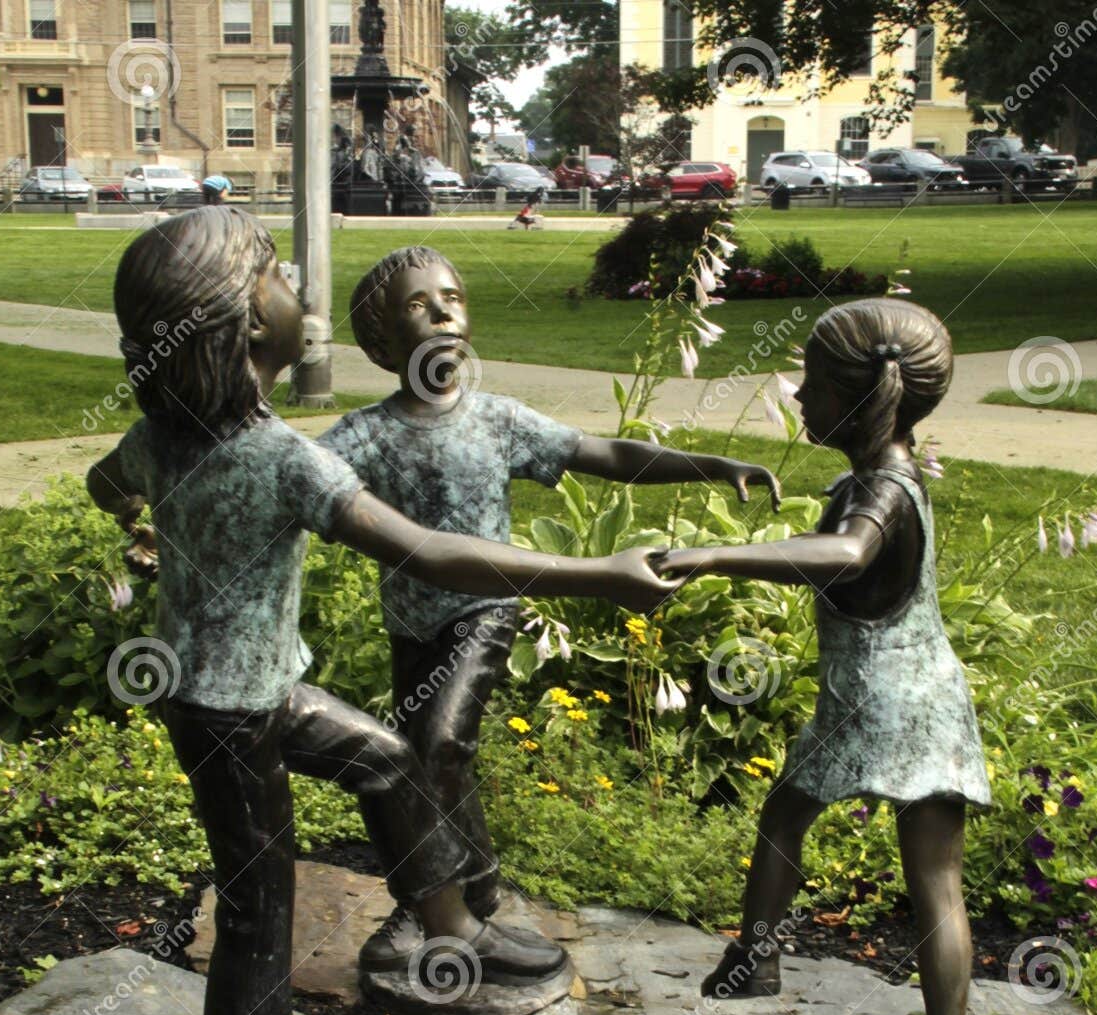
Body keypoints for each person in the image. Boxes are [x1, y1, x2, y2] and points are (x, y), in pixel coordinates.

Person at [85, 208, 669, 1015]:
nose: (297, 290)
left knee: (390, 760)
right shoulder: (284, 460)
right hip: (230, 716)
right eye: (278, 276)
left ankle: (451, 924)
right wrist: (598, 574)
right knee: (258, 897)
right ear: (243, 323)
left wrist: (136, 517)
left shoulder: (161, 437)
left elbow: (107, 483)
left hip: (248, 693)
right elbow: (430, 552)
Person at [321, 245, 781, 969]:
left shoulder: (496, 420)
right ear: (380, 343)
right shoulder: (366, 434)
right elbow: (293, 482)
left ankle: (459, 900)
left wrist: (711, 466)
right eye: (417, 305)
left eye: (452, 298)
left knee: (438, 747)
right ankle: (448, 899)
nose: (443, 314)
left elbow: (607, 454)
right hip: (411, 624)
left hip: (483, 613)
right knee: (424, 760)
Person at [657, 297, 989, 1015]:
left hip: (872, 699)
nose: (801, 395)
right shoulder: (886, 480)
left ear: (861, 396)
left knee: (787, 814)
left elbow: (846, 553)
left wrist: (717, 554)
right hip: (933, 697)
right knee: (934, 879)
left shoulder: (882, 492)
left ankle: (758, 954)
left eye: (813, 382)